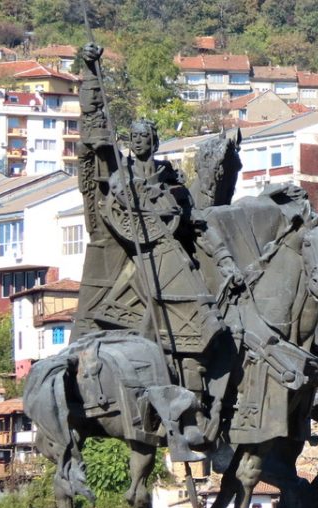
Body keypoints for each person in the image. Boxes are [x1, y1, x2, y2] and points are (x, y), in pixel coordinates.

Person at [74, 42, 244, 447]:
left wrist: (219, 257)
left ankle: (192, 406)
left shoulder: (171, 181)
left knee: (202, 326)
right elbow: (117, 215)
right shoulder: (120, 180)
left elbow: (191, 222)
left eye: (145, 136)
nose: (138, 141)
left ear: (155, 141)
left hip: (169, 261)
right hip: (135, 261)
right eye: (133, 136)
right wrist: (90, 72)